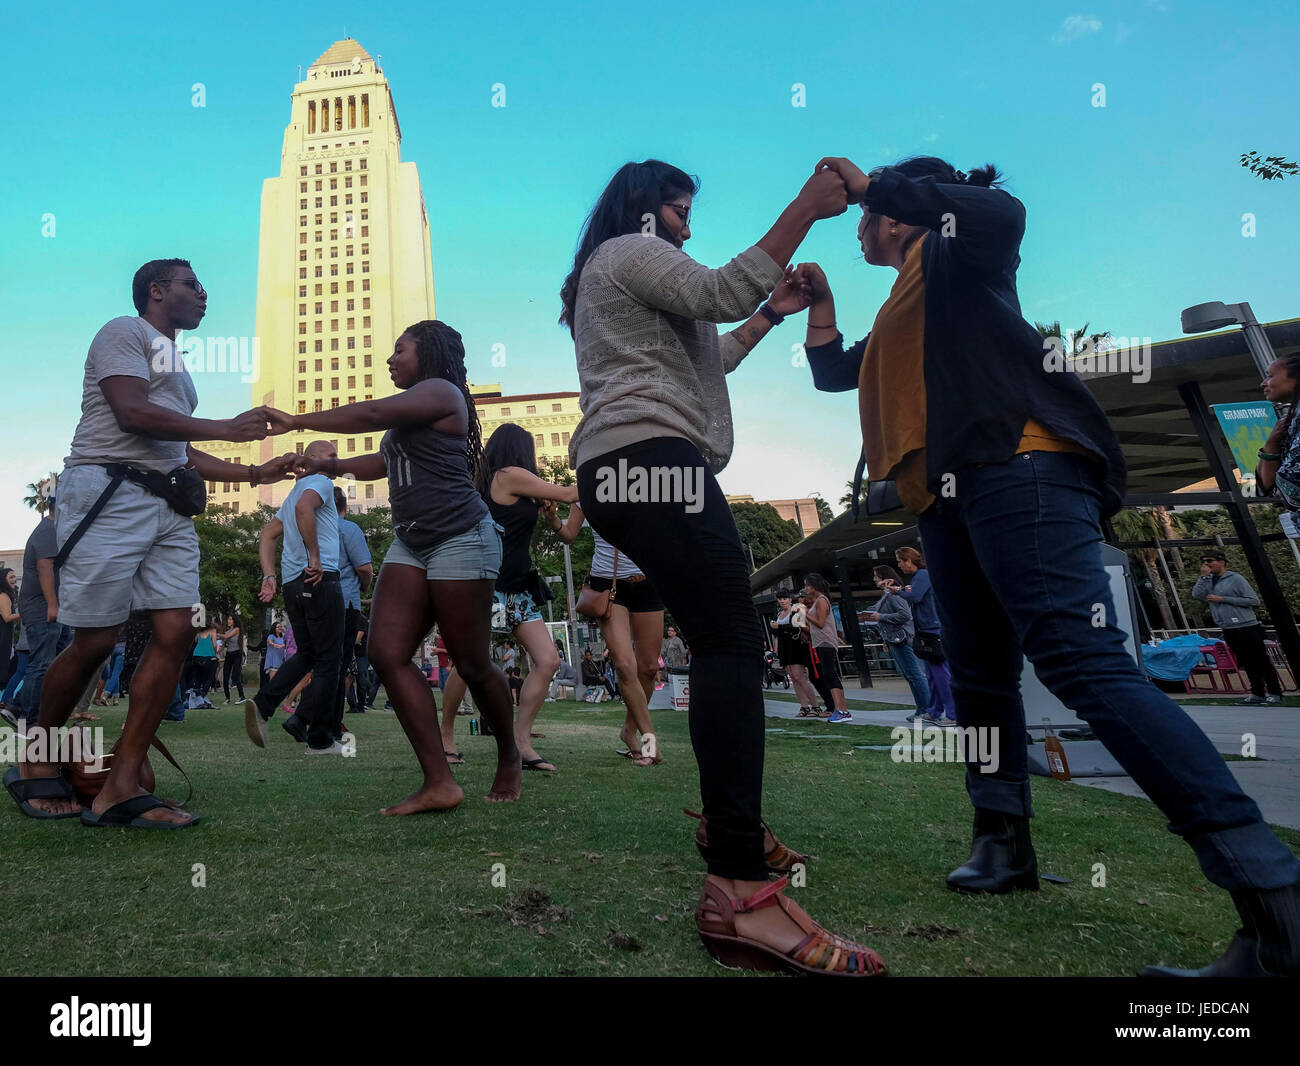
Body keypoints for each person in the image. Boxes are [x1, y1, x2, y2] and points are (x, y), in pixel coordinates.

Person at [798, 153, 1300, 976]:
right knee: (984, 678)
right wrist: (818, 306)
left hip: (1018, 466)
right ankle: (1002, 845)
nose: (859, 229)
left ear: (900, 214)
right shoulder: (907, 298)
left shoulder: (960, 251)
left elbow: (1004, 214)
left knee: (1081, 662)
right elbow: (834, 375)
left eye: (868, 218)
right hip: (947, 496)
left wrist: (873, 183)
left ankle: (1273, 898)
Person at [560, 157, 883, 976]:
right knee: (734, 644)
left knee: (721, 642)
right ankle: (739, 885)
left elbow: (713, 357)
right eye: (679, 210)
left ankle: (727, 829)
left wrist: (773, 316)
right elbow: (719, 289)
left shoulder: (630, 282)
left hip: (638, 463)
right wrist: (806, 206)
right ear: (644, 209)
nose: (687, 225)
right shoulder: (625, 251)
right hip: (650, 461)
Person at [6, 258, 294, 827]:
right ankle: (35, 759)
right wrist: (226, 427)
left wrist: (257, 475)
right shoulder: (124, 332)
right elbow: (132, 414)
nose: (204, 292)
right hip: (108, 491)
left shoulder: (175, 364)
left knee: (178, 628)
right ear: (157, 291)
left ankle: (120, 782)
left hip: (165, 503)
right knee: (94, 639)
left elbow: (176, 450)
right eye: (192, 283)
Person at [272, 318, 522, 809]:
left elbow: (371, 412)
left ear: (426, 354)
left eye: (399, 349)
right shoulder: (411, 416)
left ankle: (509, 753)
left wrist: (300, 422)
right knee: (386, 653)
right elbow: (384, 463)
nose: (390, 359)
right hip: (411, 542)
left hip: (461, 537)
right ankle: (439, 781)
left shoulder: (442, 392)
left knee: (470, 661)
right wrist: (334, 466)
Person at [438, 423, 580, 774]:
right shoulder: (509, 474)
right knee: (468, 664)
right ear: (521, 450)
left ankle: (521, 742)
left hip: (517, 587)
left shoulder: (505, 483)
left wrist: (548, 516)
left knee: (547, 661)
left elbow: (565, 535)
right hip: (489, 585)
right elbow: (570, 492)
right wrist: (605, 470)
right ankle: (444, 736)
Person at [246, 440, 347, 754]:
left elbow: (266, 534)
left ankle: (263, 704)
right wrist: (315, 557)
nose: (335, 461)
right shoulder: (321, 482)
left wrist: (269, 575)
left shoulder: (291, 495)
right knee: (331, 659)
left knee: (309, 654)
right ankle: (319, 740)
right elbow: (306, 509)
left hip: (292, 584)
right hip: (319, 577)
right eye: (330, 455)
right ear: (313, 459)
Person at [553, 500, 664, 763]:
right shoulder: (588, 489)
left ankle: (629, 731)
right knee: (625, 665)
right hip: (609, 586)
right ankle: (649, 743)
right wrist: (552, 519)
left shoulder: (649, 481)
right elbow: (569, 534)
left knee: (648, 668)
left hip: (649, 582)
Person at [1191, 550, 1282, 705]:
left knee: (1260, 660)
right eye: (1204, 562)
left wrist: (1223, 599)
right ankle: (1257, 692)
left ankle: (1275, 692)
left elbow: (1253, 600)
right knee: (1246, 662)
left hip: (1247, 626)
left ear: (1221, 562)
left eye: (1210, 561)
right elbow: (1197, 594)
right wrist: (1204, 577)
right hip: (1228, 627)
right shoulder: (1209, 581)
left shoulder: (1235, 579)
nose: (1207, 564)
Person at [15, 498, 70, 733]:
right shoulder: (48, 530)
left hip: (50, 605)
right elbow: (45, 567)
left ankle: (18, 706)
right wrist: (52, 604)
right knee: (42, 664)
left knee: (56, 660)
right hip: (42, 606)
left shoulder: (53, 530)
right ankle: (30, 720)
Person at [893, 547, 954, 723]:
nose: (899, 565)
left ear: (908, 561)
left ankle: (953, 714)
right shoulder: (920, 577)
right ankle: (934, 711)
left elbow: (915, 596)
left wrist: (898, 591)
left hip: (932, 629)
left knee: (940, 673)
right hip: (927, 629)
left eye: (900, 561)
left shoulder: (922, 575)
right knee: (932, 674)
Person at [865, 566, 930, 717]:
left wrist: (881, 617)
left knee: (915, 675)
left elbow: (905, 615)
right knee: (911, 675)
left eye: (876, 576)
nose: (874, 579)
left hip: (903, 639)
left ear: (883, 577)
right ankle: (922, 709)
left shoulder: (894, 595)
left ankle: (926, 709)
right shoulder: (888, 594)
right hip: (894, 639)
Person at [769, 589, 823, 717]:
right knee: (793, 677)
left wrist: (779, 627)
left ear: (790, 599)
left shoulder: (796, 610)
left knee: (800, 677)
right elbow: (778, 633)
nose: (782, 601)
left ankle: (815, 706)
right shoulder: (779, 614)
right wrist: (775, 628)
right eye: (780, 598)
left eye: (784, 598)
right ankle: (804, 706)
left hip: (796, 647)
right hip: (784, 648)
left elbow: (797, 626)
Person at [803, 573, 849, 722]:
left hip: (826, 641)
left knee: (830, 675)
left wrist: (804, 614)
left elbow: (821, 623)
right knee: (829, 675)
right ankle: (842, 710)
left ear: (814, 586)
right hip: (821, 642)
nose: (806, 588)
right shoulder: (818, 600)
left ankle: (840, 710)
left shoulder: (822, 600)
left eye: (807, 585)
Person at [0, 567, 19, 705]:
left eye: (15, 577)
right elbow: (6, 617)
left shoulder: (8, 595)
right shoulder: (3, 596)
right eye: (11, 577)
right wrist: (26, 612)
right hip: (3, 634)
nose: (14, 579)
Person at [220, 613, 246, 704]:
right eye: (228, 619)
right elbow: (223, 645)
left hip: (237, 654)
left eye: (230, 619)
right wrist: (217, 650)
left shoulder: (236, 629)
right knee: (225, 675)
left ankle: (242, 696)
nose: (229, 621)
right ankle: (227, 698)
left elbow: (226, 637)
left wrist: (216, 634)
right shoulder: (227, 631)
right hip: (229, 654)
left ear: (234, 621)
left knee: (235, 675)